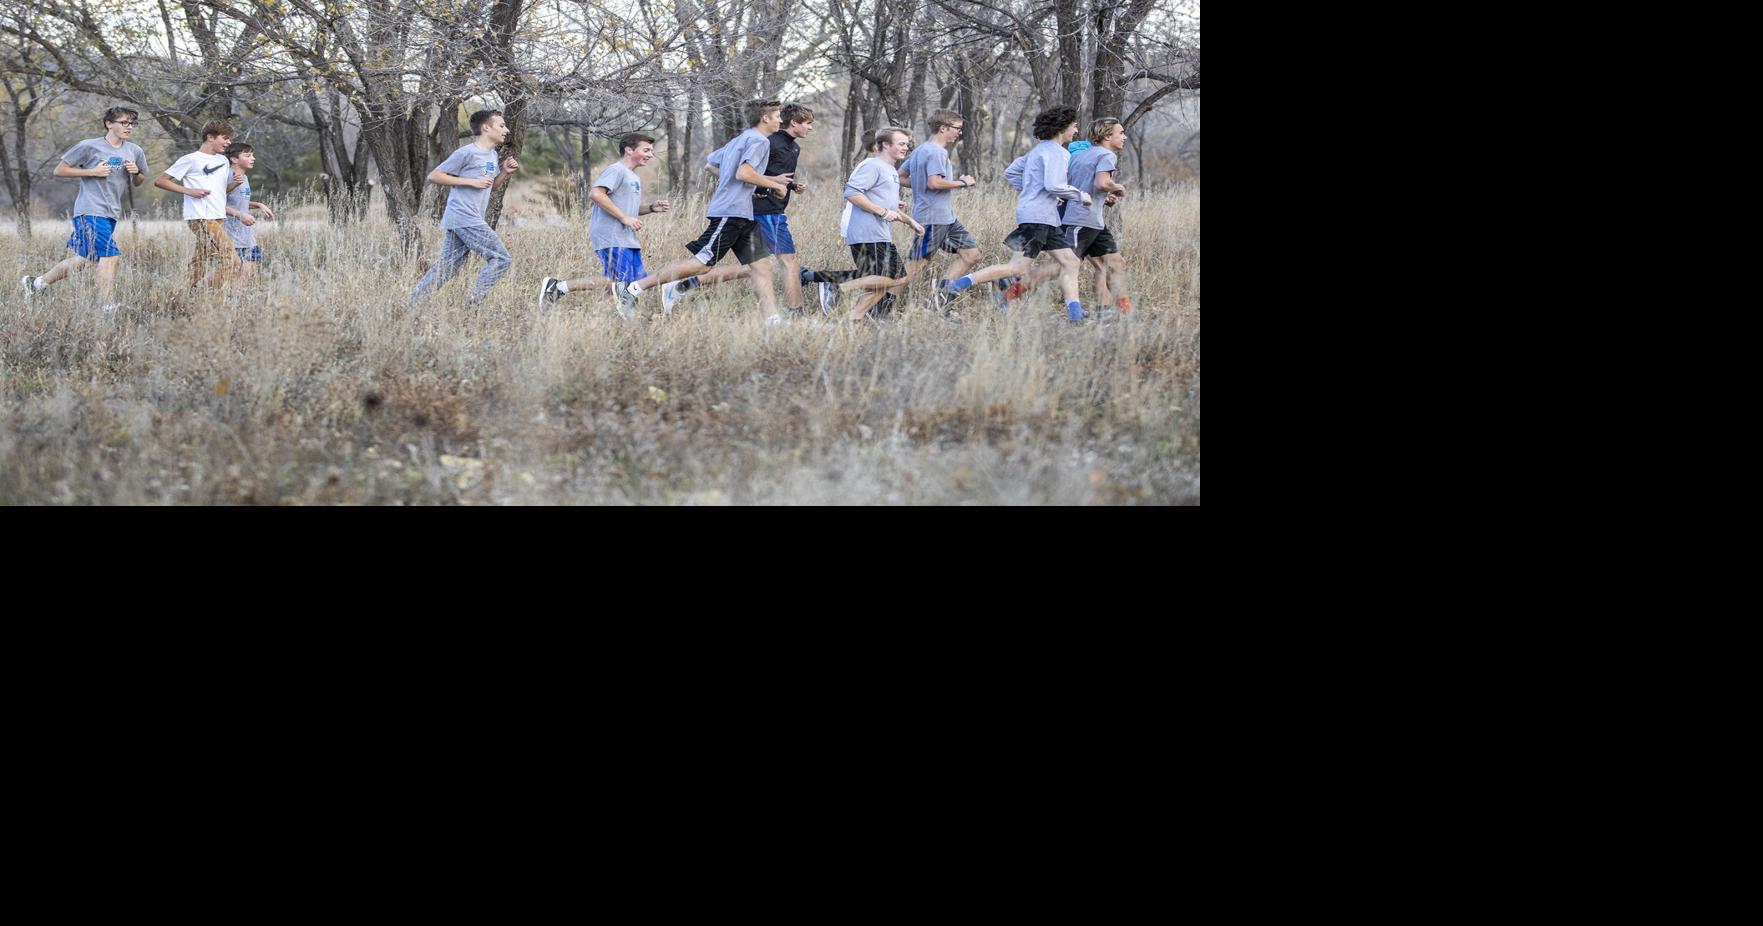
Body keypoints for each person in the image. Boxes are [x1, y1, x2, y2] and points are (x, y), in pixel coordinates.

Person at [21, 106, 149, 311]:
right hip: (90, 209)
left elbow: (140, 182)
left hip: (111, 212)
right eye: (124, 122)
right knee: (110, 255)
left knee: (87, 259)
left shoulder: (134, 151)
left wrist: (136, 173)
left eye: (132, 123)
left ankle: (36, 284)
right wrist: (93, 171)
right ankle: (107, 306)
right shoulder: (89, 146)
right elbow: (59, 170)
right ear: (109, 124)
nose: (129, 127)